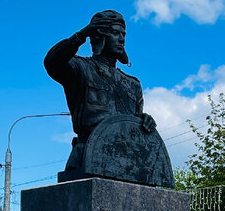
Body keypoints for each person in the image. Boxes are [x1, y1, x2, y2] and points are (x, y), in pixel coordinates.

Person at [44, 10, 158, 179]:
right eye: (115, 33)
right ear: (99, 36)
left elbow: (132, 124)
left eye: (123, 34)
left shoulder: (133, 84)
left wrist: (144, 121)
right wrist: (81, 35)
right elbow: (52, 62)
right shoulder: (79, 69)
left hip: (128, 162)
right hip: (88, 157)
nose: (121, 39)